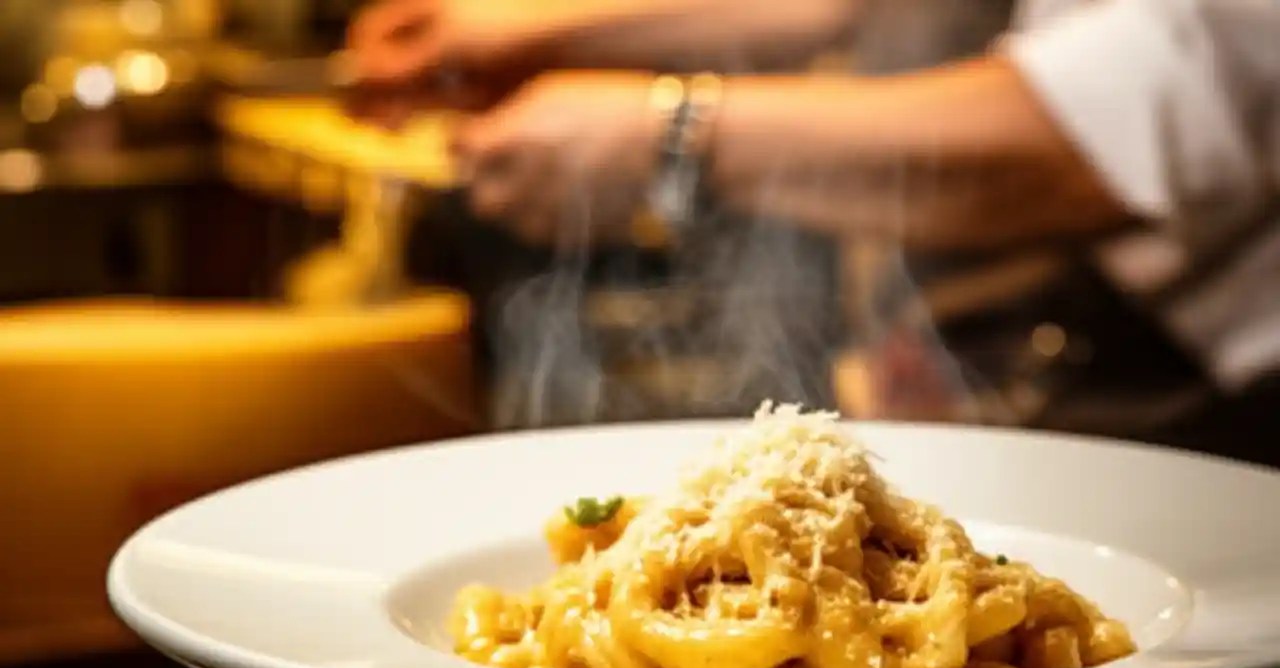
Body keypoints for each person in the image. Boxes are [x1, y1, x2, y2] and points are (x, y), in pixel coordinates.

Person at [346, 0, 1280, 465]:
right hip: (1001, 383)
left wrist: (670, 134)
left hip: (1208, 418)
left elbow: (1098, 138)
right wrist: (547, 29)